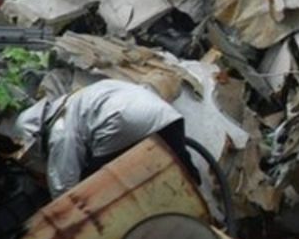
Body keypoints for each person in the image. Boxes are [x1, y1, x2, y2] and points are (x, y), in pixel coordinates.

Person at [15, 79, 198, 198]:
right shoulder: (76, 97)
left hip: (122, 124)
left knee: (94, 185)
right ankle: (201, 198)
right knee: (183, 165)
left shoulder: (60, 129)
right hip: (163, 113)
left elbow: (65, 188)